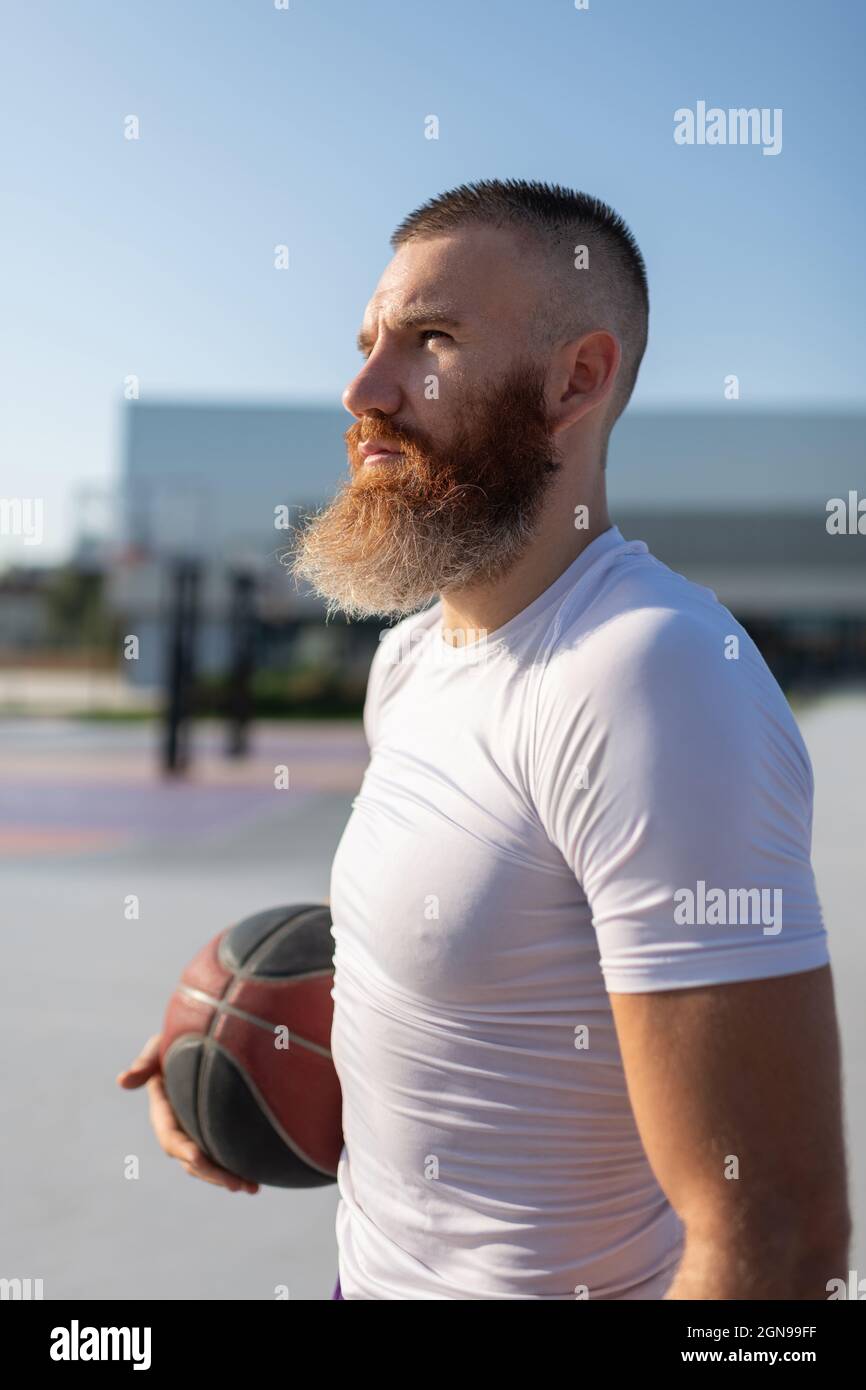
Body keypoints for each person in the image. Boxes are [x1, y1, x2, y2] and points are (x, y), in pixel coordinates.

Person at [120, 178, 850, 1300]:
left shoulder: (646, 674)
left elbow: (777, 1238)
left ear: (577, 378)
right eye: (366, 342)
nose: (363, 390)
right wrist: (231, 1056)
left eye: (430, 341)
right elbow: (488, 987)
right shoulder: (411, 660)